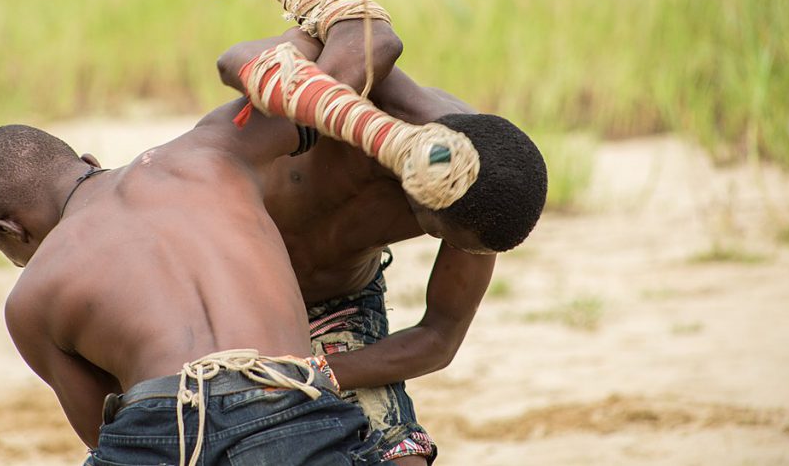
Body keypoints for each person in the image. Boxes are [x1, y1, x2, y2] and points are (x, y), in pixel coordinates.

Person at [0, 47, 387, 466]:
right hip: (292, 413)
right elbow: (358, 58)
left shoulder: (30, 298)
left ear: (10, 231)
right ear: (89, 161)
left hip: (167, 435)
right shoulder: (213, 146)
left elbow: (103, 432)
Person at [217, 24, 548, 465]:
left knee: (400, 459)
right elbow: (233, 61)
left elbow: (439, 336)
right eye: (438, 230)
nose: (436, 239)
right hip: (214, 284)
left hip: (338, 306)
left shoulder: (481, 199)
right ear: (435, 190)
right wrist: (324, 84)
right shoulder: (365, 85)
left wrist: (315, 373)